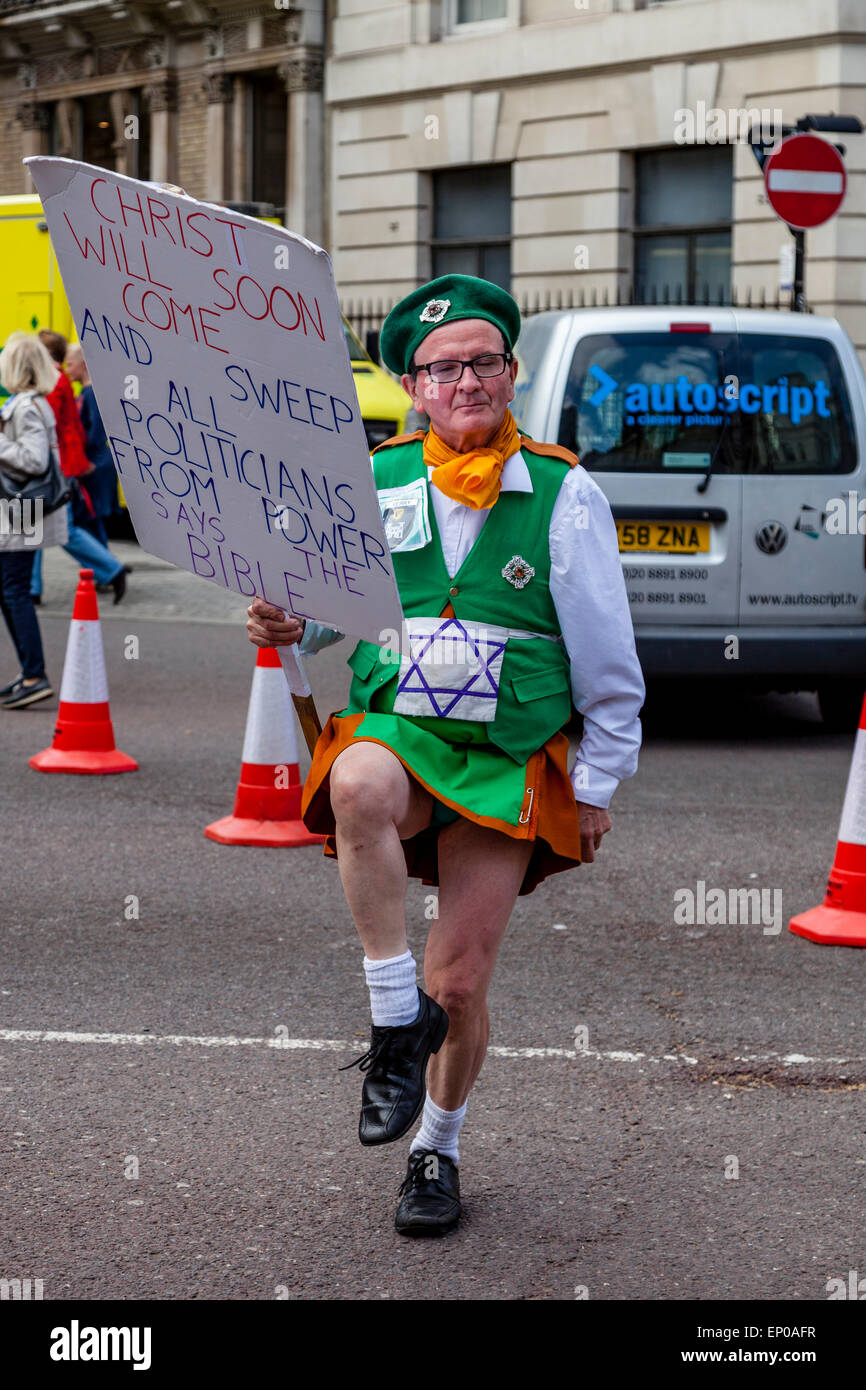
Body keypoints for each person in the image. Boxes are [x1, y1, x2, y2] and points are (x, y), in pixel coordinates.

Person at [246, 274, 646, 1236]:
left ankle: (438, 1148)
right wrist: (290, 624)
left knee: (460, 986)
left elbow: (609, 659)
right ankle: (394, 1024)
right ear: (413, 387)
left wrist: (595, 783)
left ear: (510, 373)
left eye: (484, 362)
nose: (466, 381)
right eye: (443, 368)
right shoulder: (373, 481)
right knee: (355, 779)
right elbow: (322, 631)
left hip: (510, 753)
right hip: (407, 734)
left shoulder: (563, 490)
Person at [29, 330, 126, 606]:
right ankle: (30, 587)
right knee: (37, 528)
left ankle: (110, 569)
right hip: (54, 466)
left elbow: (47, 426)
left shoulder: (50, 381)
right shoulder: (56, 381)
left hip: (50, 468)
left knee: (62, 528)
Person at [0, 332, 69, 708]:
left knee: (14, 590)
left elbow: (34, 461)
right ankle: (28, 670)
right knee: (9, 590)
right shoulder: (31, 403)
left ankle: (34, 674)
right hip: (20, 508)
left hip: (21, 508)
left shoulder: (26, 406)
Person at [65, 343, 122, 547]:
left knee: (89, 516)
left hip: (95, 463)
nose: (67, 369)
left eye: (70, 364)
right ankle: (104, 566)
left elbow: (97, 432)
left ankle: (105, 566)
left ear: (84, 365)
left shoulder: (91, 394)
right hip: (92, 461)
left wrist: (81, 458)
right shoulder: (85, 392)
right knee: (89, 517)